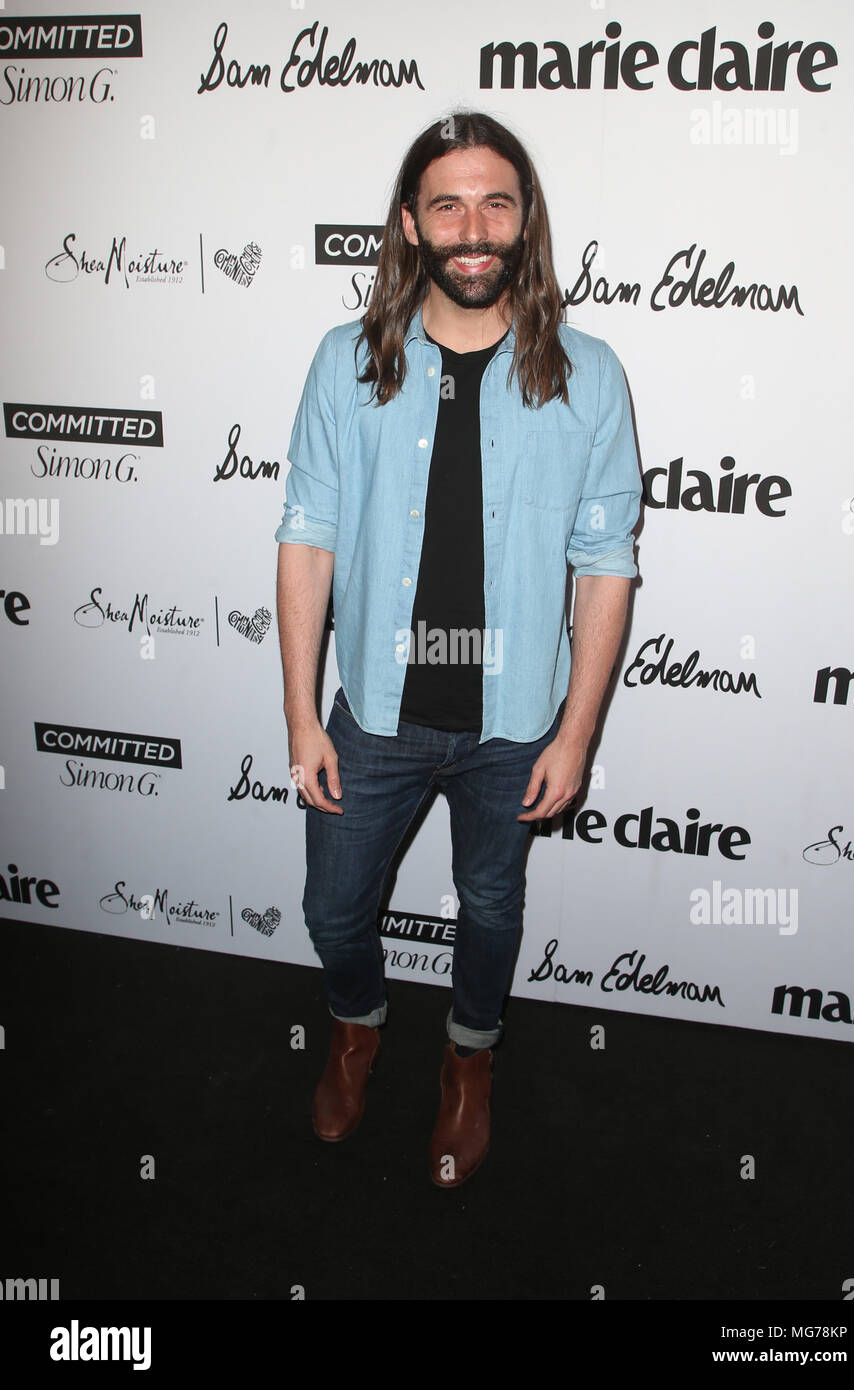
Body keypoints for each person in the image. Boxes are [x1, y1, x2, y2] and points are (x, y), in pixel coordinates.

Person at [275, 110, 641, 1188]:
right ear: (409, 221)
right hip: (374, 715)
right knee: (334, 907)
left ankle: (470, 1060)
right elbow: (307, 539)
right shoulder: (348, 362)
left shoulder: (591, 374)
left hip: (511, 719)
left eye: (496, 202)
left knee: (490, 908)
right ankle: (356, 1026)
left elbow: (605, 559)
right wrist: (301, 714)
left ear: (525, 220)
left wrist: (578, 730)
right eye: (448, 203)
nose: (472, 228)